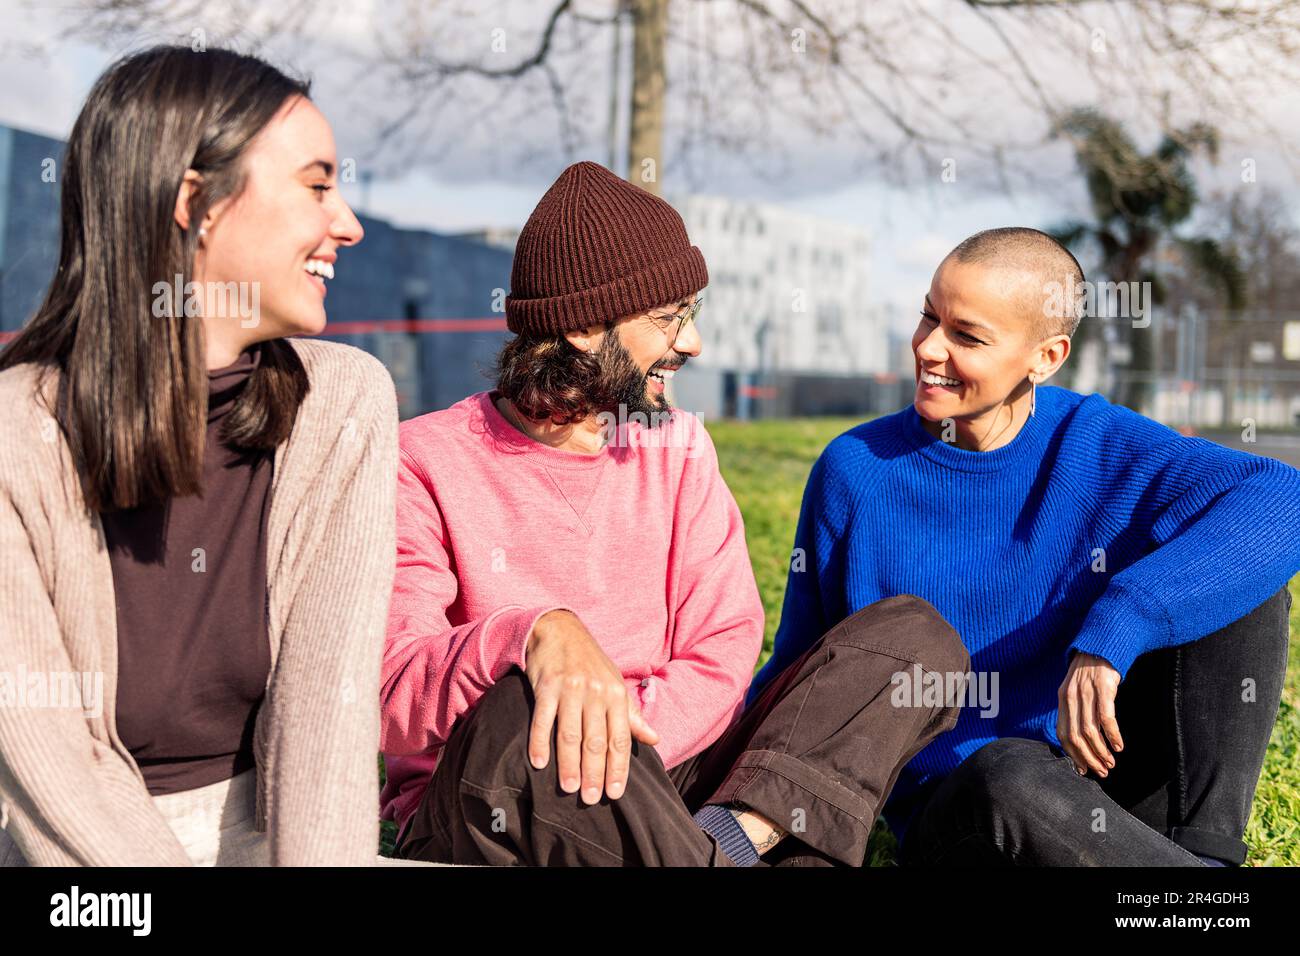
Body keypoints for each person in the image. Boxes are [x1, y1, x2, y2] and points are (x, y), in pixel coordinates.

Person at [380, 160, 969, 866]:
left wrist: (621, 734)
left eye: (689, 315)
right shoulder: (421, 459)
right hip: (511, 790)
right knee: (519, 707)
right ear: (581, 331)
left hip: (671, 774)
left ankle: (723, 843)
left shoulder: (679, 446)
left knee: (914, 637)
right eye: (667, 319)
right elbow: (389, 687)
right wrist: (535, 636)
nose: (691, 343)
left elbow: (723, 649)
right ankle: (733, 849)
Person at [752, 226, 1300, 866]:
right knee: (1007, 774)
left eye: (967, 336)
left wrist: (1117, 625)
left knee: (1241, 588)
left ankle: (1201, 864)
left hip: (1095, 775)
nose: (929, 347)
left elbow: (1283, 496)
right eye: (929, 315)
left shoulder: (1092, 439)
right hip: (964, 807)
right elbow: (798, 664)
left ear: (1046, 357)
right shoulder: (856, 469)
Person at [0, 45, 398, 866]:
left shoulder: (344, 405)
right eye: (318, 185)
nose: (347, 223)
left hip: (272, 842)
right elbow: (51, 772)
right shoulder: (15, 440)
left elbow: (327, 720)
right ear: (196, 203)